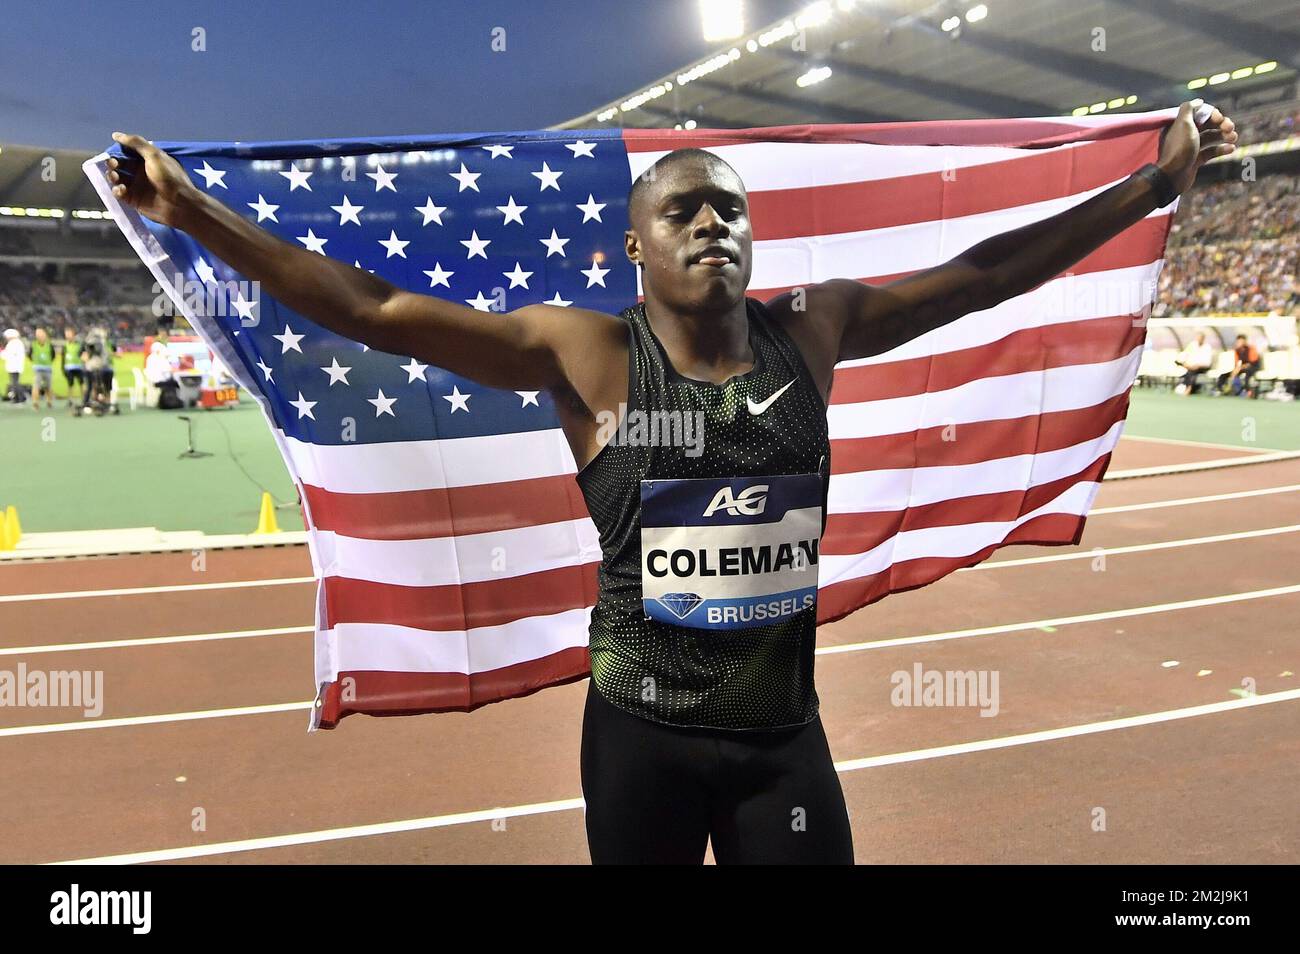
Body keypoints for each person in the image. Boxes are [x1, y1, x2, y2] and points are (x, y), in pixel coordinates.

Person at [106, 99, 1237, 864]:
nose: (710, 224)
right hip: (638, 738)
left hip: (780, 740)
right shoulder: (583, 357)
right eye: (681, 213)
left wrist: (1150, 186)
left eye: (729, 211)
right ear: (633, 250)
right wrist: (192, 211)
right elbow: (374, 311)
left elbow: (982, 276)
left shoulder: (817, 333)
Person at [1173, 330, 1214, 395]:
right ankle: (1188, 387)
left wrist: (1197, 366)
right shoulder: (1192, 345)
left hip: (1203, 367)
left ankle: (1188, 388)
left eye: (1200, 338)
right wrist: (1186, 364)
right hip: (1192, 367)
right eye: (1198, 337)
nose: (1199, 339)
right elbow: (1186, 355)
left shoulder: (1207, 347)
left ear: (1203, 339)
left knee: (1190, 373)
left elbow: (1207, 362)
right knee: (1190, 372)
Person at [1224, 333, 1263, 397]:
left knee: (1247, 374)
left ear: (1245, 341)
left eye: (1241, 341)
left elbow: (1252, 361)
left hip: (1253, 367)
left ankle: (1248, 391)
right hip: (1243, 367)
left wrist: (1241, 367)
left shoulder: (1251, 348)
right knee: (1231, 374)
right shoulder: (1237, 350)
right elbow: (1237, 362)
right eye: (1238, 341)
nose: (1239, 343)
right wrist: (1236, 370)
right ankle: (1234, 390)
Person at [28, 327, 56, 411]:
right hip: (38, 369)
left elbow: (53, 355)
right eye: (37, 334)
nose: (39, 335)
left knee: (48, 386)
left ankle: (49, 402)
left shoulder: (49, 345)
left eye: (40, 333)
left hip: (48, 369)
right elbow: (29, 354)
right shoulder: (33, 344)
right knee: (36, 386)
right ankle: (35, 403)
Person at [60, 326, 85, 407]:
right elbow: (63, 358)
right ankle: (70, 400)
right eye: (66, 334)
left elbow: (84, 355)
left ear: (73, 334)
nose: (67, 336)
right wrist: (63, 367)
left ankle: (84, 399)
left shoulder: (79, 345)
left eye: (69, 334)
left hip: (79, 367)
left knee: (81, 383)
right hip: (69, 367)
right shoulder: (65, 346)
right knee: (70, 384)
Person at [2, 328, 26, 403]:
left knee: (15, 383)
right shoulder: (19, 343)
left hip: (13, 367)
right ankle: (19, 397)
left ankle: (20, 397)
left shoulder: (12, 344)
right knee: (15, 382)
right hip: (16, 366)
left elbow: (5, 355)